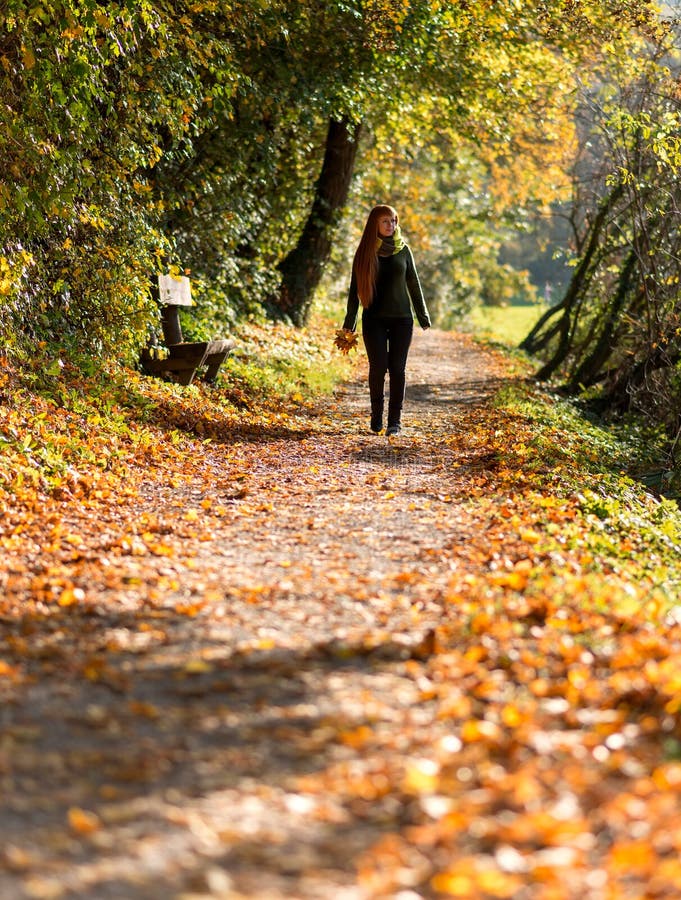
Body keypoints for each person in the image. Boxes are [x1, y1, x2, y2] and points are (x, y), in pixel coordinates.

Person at [342, 204, 431, 435]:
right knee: (378, 367)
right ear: (375, 224)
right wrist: (348, 325)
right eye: (385, 221)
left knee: (398, 369)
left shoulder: (403, 250)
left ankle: (395, 422)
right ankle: (376, 415)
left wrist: (423, 315)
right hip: (374, 320)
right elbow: (354, 292)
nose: (391, 225)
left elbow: (414, 283)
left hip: (402, 320)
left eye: (393, 221)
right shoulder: (364, 252)